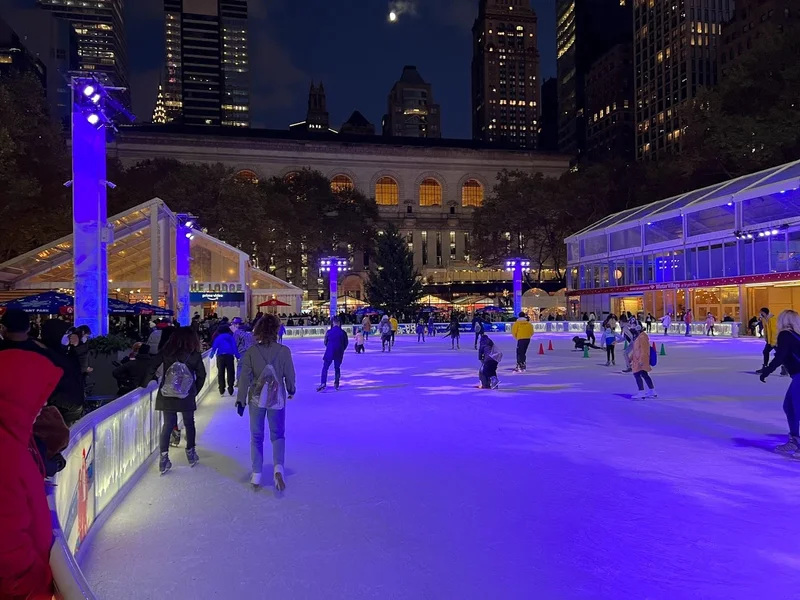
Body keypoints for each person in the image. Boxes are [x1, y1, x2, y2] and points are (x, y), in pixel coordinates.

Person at [0, 332, 63, 600]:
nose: (45, 404)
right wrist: (33, 591)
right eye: (38, 396)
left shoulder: (17, 439)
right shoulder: (6, 456)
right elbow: (7, 549)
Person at [236, 314, 296, 489]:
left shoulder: (252, 352)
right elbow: (290, 375)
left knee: (256, 436)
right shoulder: (284, 351)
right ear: (276, 330)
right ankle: (278, 468)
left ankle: (256, 474)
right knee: (277, 435)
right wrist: (291, 389)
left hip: (256, 399)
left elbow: (244, 378)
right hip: (276, 399)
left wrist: (240, 400)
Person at [150, 327, 206, 474]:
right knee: (189, 423)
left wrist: (150, 381)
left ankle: (163, 459)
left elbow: (151, 366)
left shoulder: (166, 352)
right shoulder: (194, 355)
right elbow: (202, 375)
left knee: (168, 425)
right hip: (186, 394)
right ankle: (191, 453)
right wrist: (193, 391)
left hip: (167, 393)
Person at [759, 310, 800, 454]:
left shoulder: (785, 334)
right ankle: (795, 440)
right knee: (789, 406)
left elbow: (781, 356)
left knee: (795, 408)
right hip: (797, 376)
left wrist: (767, 370)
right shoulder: (795, 335)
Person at [318, 317, 348, 392]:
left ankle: (323, 383)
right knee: (337, 368)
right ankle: (336, 383)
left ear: (333, 323)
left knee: (325, 367)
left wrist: (329, 347)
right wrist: (342, 349)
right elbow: (345, 343)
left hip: (329, 351)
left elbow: (325, 342)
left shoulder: (329, 332)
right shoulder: (343, 333)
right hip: (339, 352)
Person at [209, 324, 240, 396]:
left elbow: (214, 347)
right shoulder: (230, 337)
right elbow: (234, 347)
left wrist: (211, 355)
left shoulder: (218, 337)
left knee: (221, 373)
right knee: (231, 372)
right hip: (229, 356)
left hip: (220, 356)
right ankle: (230, 388)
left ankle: (221, 389)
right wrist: (237, 355)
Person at [631, 327, 657, 399]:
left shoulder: (642, 337)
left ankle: (641, 392)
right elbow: (636, 349)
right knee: (644, 374)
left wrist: (641, 360)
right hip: (638, 359)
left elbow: (644, 350)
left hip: (641, 359)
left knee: (637, 374)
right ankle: (652, 390)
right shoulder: (640, 336)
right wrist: (631, 358)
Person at [757, 307, 779, 374]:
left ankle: (785, 368)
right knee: (765, 352)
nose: (760, 314)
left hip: (775, 341)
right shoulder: (765, 319)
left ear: (764, 312)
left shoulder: (773, 319)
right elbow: (766, 330)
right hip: (769, 341)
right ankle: (765, 367)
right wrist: (766, 339)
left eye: (761, 312)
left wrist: (774, 342)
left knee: (780, 354)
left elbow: (774, 331)